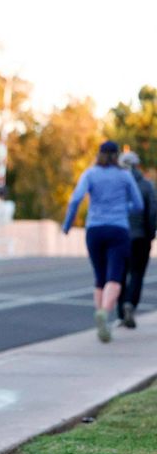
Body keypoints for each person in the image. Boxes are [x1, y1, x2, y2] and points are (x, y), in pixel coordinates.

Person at [62, 140, 143, 343]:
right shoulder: (124, 175)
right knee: (114, 277)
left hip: (95, 229)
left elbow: (75, 199)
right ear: (117, 156)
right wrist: (123, 208)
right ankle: (104, 313)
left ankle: (102, 321)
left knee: (99, 277)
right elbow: (138, 205)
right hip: (118, 230)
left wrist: (67, 224)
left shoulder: (90, 174)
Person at [116, 150, 157, 329]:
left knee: (119, 275)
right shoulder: (146, 185)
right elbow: (152, 211)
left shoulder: (117, 184)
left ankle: (120, 313)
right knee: (137, 274)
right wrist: (151, 234)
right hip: (140, 237)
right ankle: (130, 304)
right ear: (137, 165)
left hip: (120, 236)